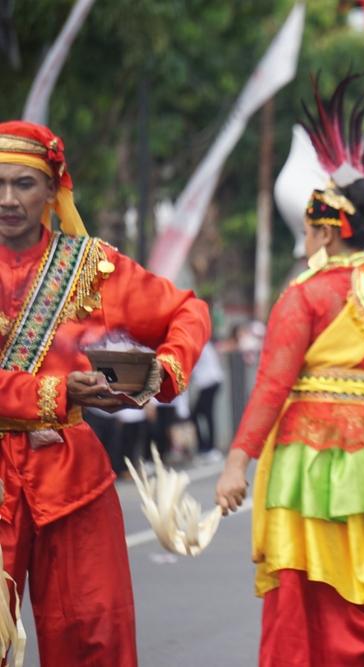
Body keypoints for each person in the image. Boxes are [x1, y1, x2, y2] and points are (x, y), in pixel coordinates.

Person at [214, 73, 364, 667]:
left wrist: (239, 458)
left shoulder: (304, 294)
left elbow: (272, 384)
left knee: (306, 595)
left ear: (324, 231)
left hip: (309, 464)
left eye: (311, 231)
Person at [0, 120, 209, 666]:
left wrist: (164, 369)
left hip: (67, 475)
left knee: (95, 634)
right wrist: (55, 391)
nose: (8, 199)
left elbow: (187, 310)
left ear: (53, 190)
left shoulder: (88, 267)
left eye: (23, 184)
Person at [190, 339, 224, 461]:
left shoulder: (197, 344)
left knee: (201, 415)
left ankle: (208, 448)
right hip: (211, 382)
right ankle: (206, 447)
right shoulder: (204, 343)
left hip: (208, 383)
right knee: (202, 414)